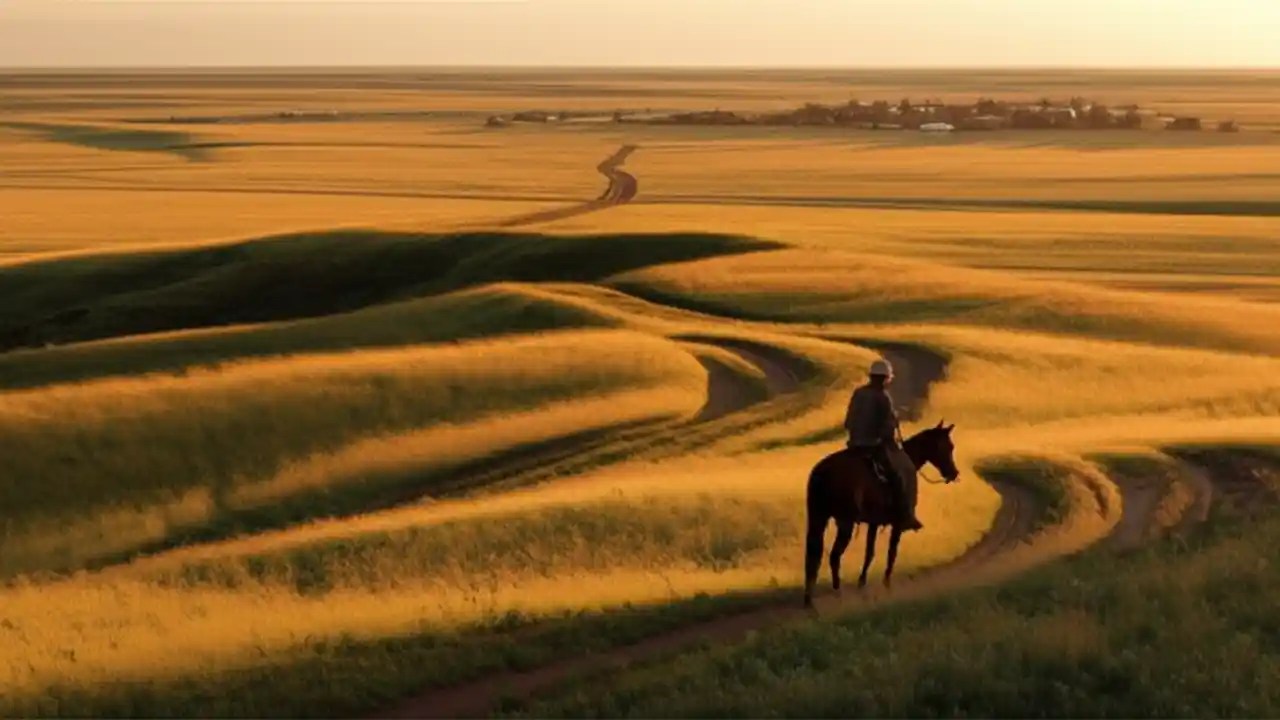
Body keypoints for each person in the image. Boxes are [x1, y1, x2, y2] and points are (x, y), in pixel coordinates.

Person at [844, 358, 923, 531]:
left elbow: (848, 421)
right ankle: (905, 515)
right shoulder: (883, 397)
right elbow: (886, 428)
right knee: (898, 475)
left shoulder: (858, 393)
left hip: (854, 445)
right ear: (886, 378)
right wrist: (893, 423)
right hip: (873, 446)